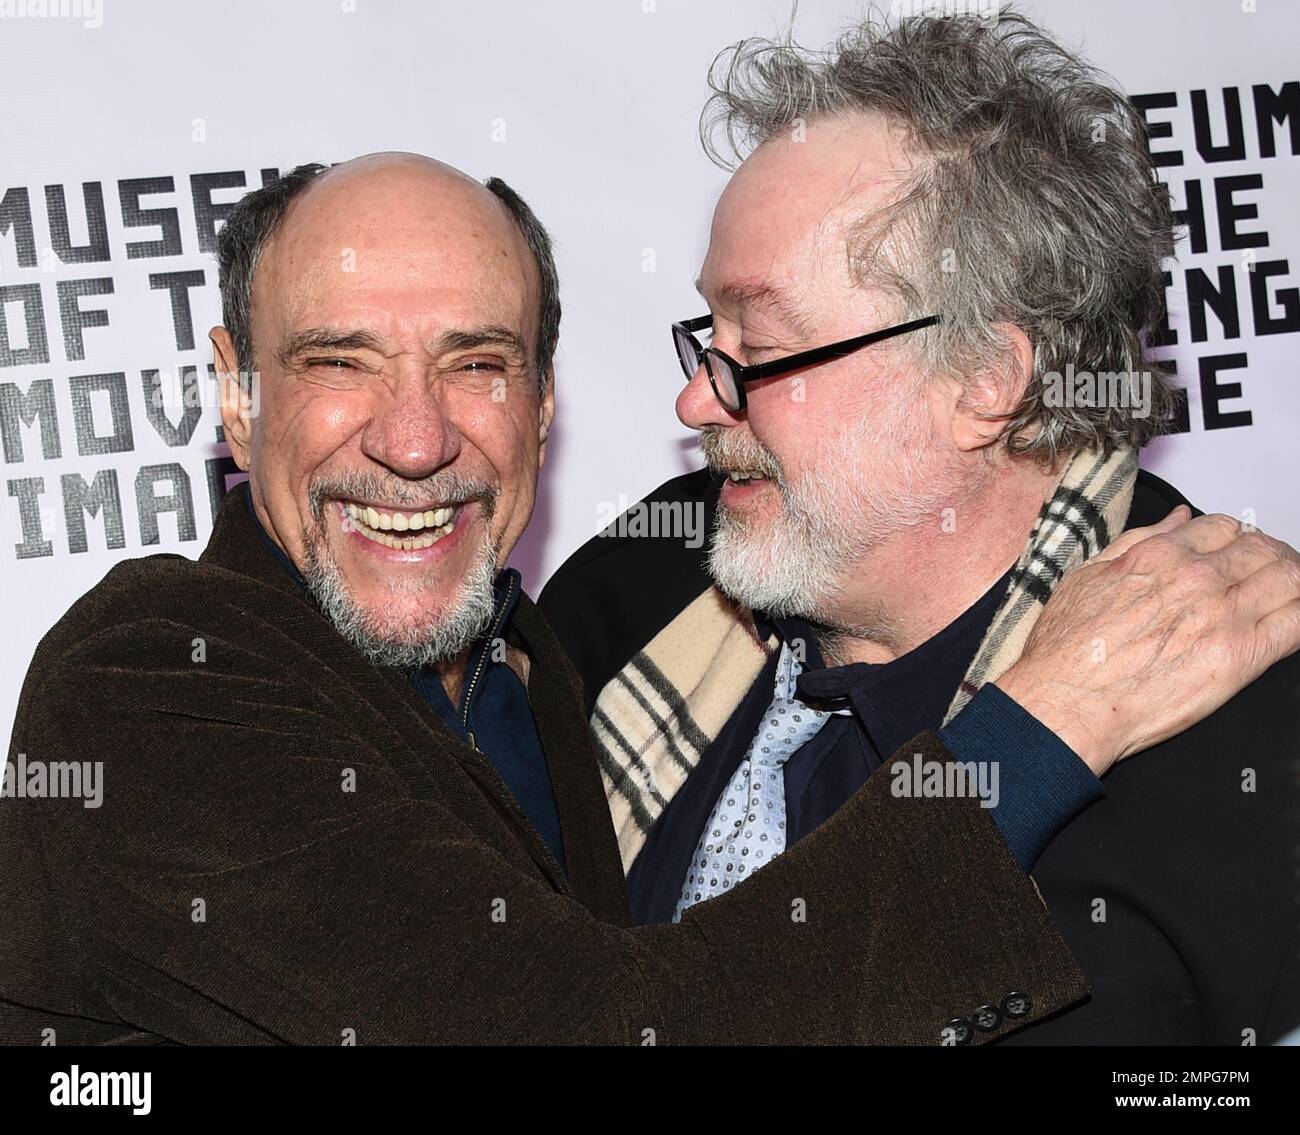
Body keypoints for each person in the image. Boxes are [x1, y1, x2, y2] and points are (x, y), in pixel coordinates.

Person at [0, 149, 1294, 1047]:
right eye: (339, 360)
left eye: (478, 360)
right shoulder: (149, 682)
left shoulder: (561, 643)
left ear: (545, 401)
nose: (412, 435)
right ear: (237, 393)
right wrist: (1038, 722)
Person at [539, 12, 1300, 1044]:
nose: (696, 404)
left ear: (985, 381)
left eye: (754, 347)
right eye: (703, 336)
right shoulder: (632, 589)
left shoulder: (1237, 746)